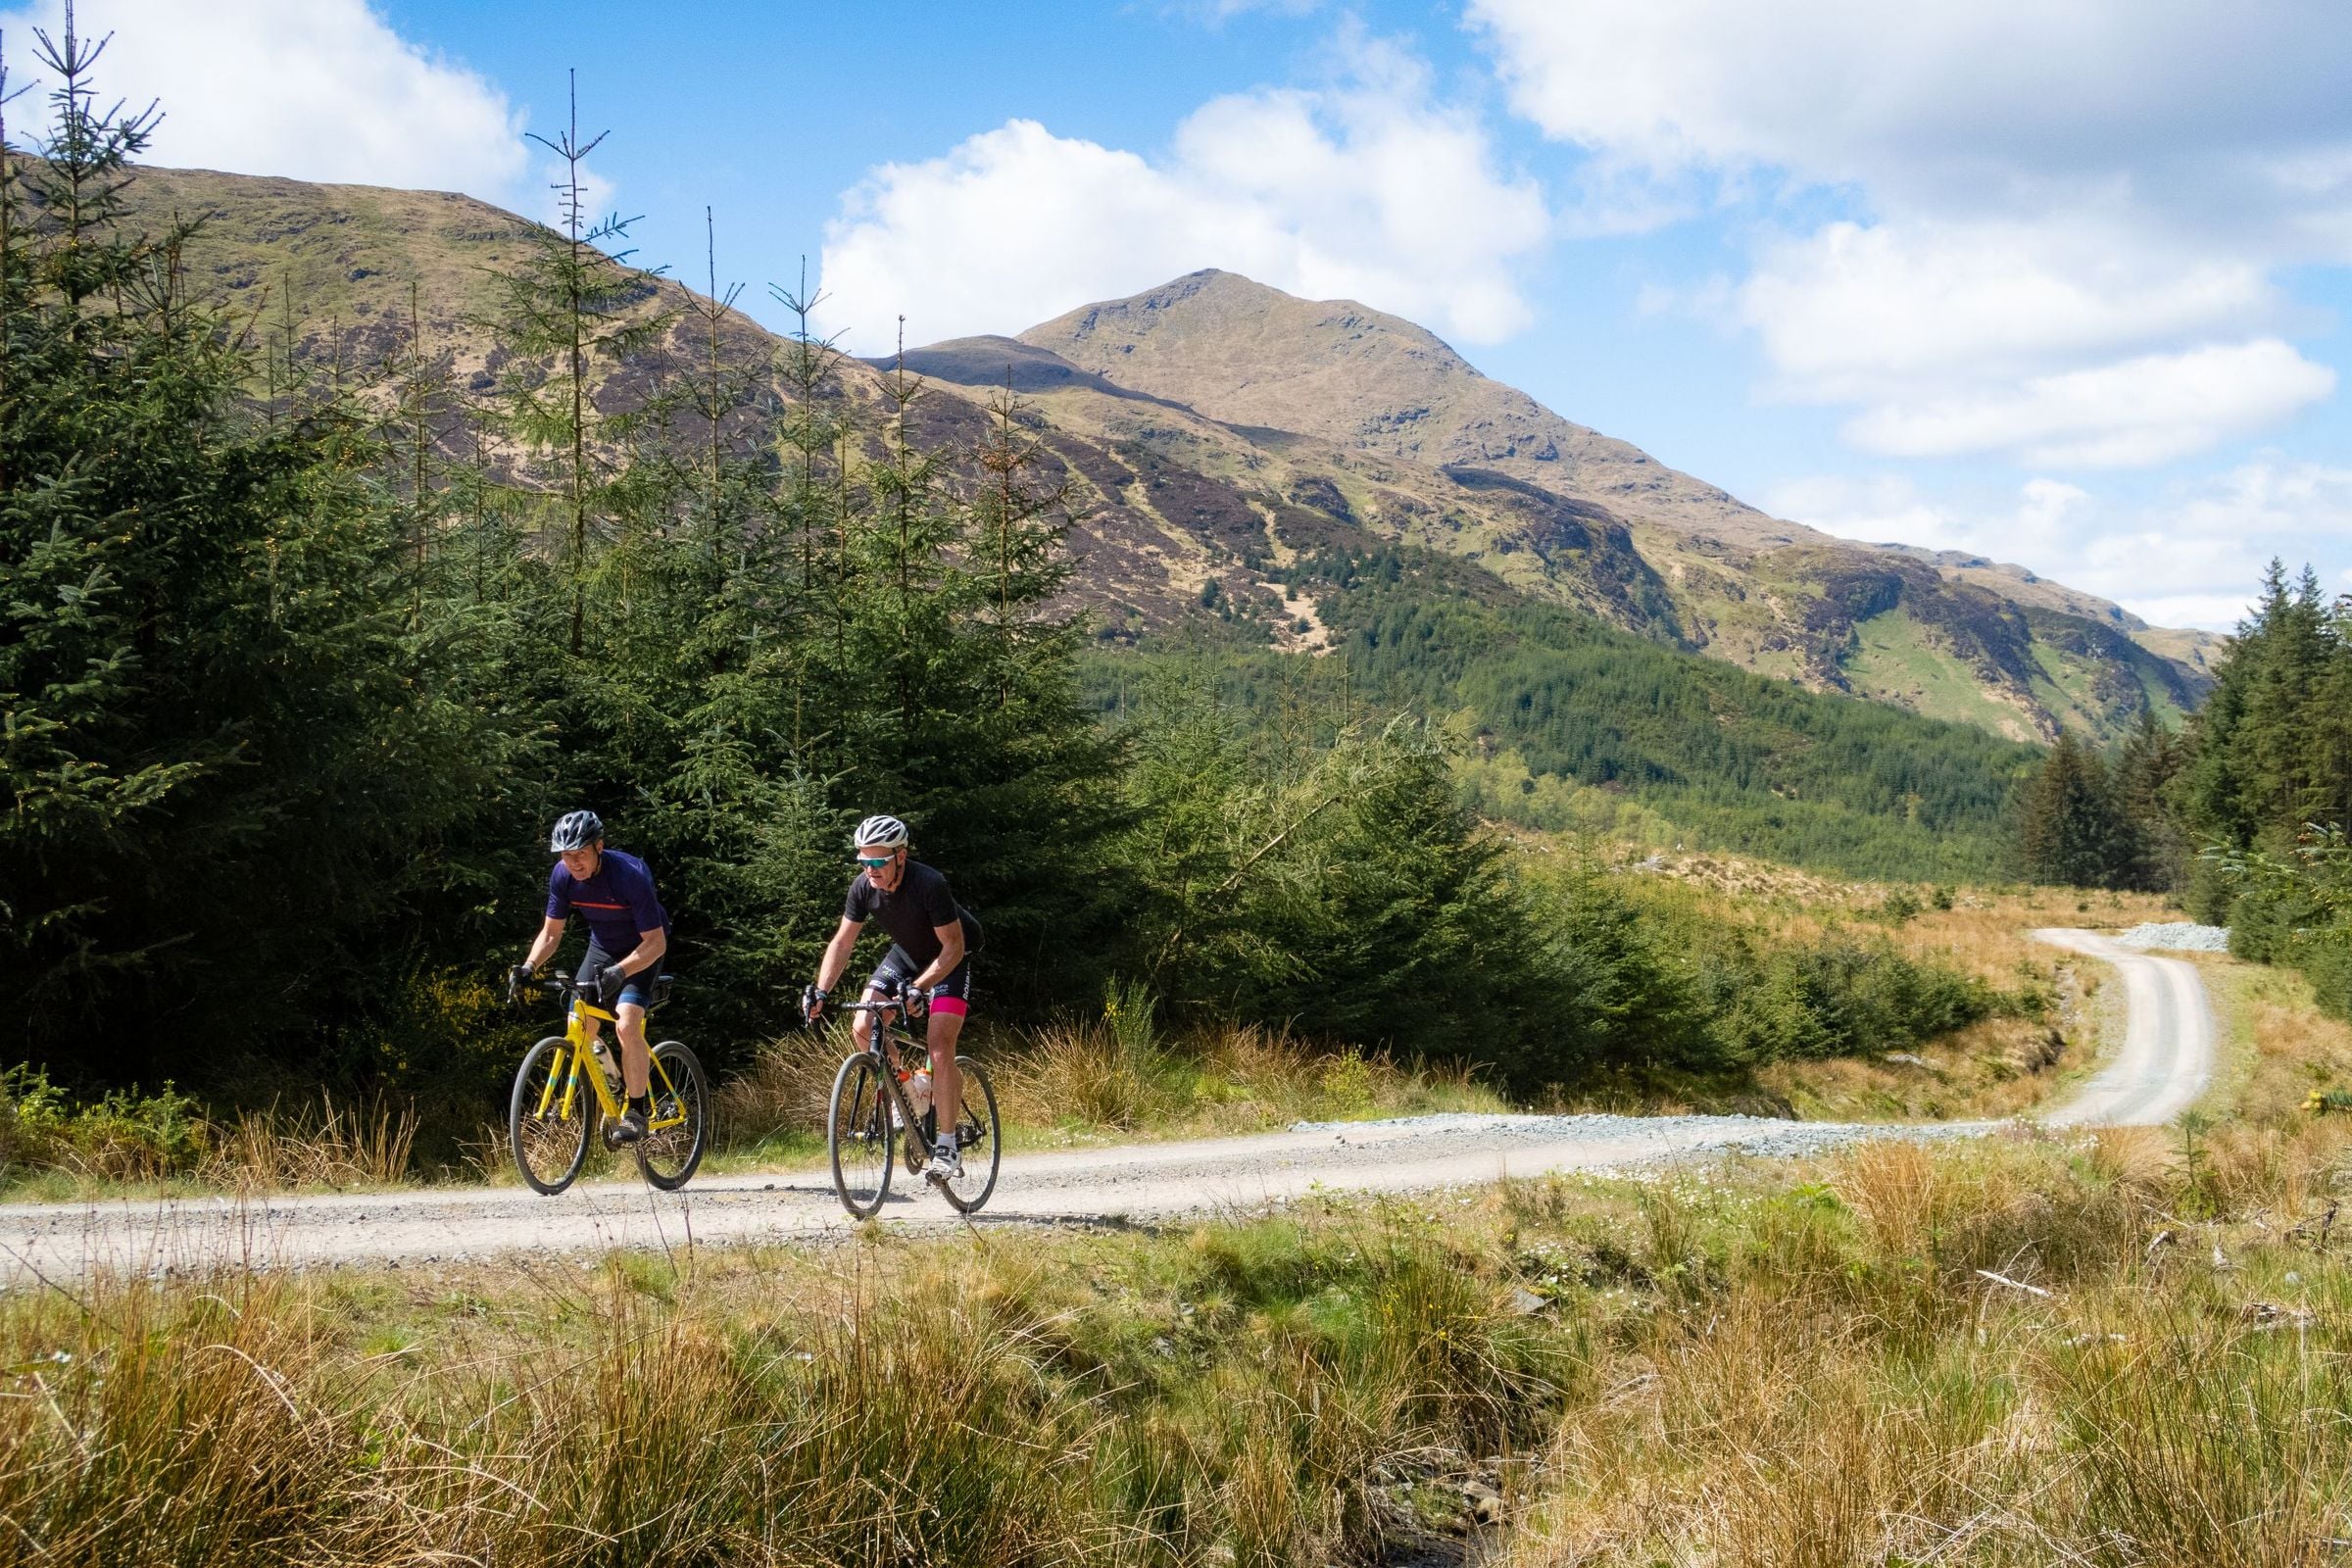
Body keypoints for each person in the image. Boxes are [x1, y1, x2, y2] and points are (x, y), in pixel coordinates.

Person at [803, 813, 982, 1180]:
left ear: (900, 856)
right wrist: (821, 990)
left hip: (949, 958)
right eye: (863, 861)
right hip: (906, 954)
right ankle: (909, 1091)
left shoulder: (930, 884)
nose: (870, 869)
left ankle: (946, 1147)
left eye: (878, 861)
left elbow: (953, 946)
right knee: (863, 1024)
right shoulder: (863, 888)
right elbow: (842, 942)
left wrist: (922, 986)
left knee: (938, 1045)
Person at [511, 809, 670, 1144]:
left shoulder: (629, 876)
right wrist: (528, 968)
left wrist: (621, 971)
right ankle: (612, 1074)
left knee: (626, 1023)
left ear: (599, 846)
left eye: (580, 854)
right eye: (566, 856)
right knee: (577, 1023)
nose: (574, 863)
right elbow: (551, 934)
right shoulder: (562, 877)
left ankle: (636, 1112)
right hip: (603, 946)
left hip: (643, 947)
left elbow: (656, 943)